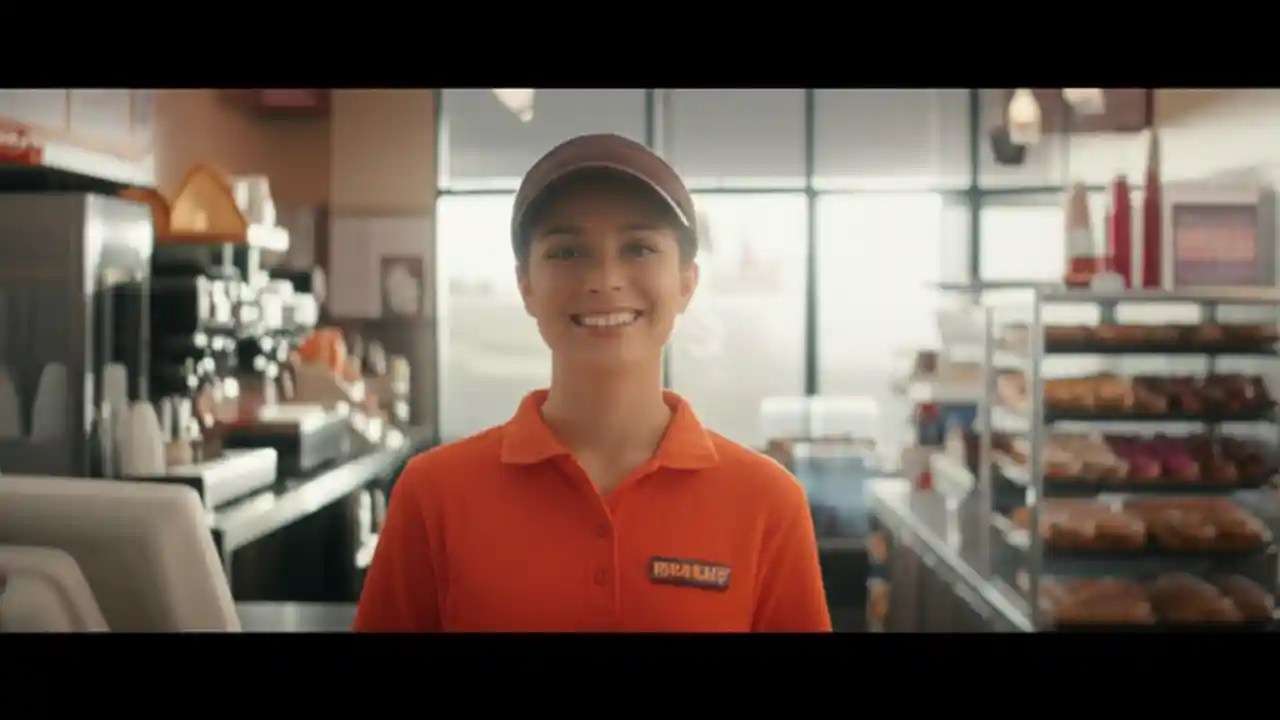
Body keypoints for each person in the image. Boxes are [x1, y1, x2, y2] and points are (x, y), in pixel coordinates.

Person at [353, 133, 831, 632]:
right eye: (567, 252)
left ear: (687, 282)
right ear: (526, 286)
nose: (604, 278)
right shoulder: (434, 494)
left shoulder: (766, 503)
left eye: (639, 248)